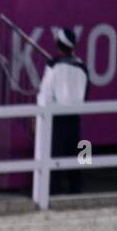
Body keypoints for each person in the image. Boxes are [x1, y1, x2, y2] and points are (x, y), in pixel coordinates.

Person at [37, 27, 89, 196]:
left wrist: (38, 117)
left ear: (58, 44)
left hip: (57, 120)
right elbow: (86, 94)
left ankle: (52, 193)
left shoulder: (53, 65)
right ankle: (78, 190)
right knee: (81, 157)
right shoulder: (83, 67)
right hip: (77, 119)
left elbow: (45, 95)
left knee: (54, 157)